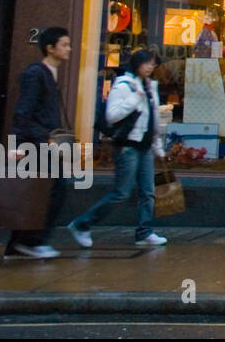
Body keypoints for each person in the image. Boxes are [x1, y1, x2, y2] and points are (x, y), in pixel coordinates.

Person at [67, 50, 167, 248]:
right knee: (121, 192)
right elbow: (112, 115)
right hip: (127, 146)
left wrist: (158, 147)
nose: (150, 67)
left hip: (145, 145)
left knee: (148, 191)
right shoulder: (123, 86)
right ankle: (82, 224)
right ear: (137, 63)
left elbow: (153, 120)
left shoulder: (150, 87)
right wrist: (134, 99)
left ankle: (144, 232)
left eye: (153, 64)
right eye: (147, 63)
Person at [3, 27, 72, 259]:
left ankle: (20, 244)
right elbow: (23, 111)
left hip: (43, 143)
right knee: (51, 189)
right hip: (36, 144)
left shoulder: (50, 73)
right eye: (64, 44)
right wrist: (19, 144)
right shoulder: (36, 73)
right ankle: (31, 241)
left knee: (38, 192)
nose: (68, 49)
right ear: (50, 48)